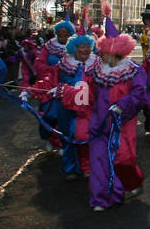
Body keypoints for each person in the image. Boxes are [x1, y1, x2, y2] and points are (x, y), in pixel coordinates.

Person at [63, 32, 150, 210]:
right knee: (99, 162)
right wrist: (63, 92)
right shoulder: (96, 71)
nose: (99, 53)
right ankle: (101, 199)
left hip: (122, 126)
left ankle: (132, 182)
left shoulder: (133, 70)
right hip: (98, 125)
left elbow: (139, 95)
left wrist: (122, 105)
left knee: (123, 160)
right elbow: (85, 94)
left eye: (102, 50)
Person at [23, 32, 96, 180]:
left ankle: (86, 166)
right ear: (74, 48)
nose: (85, 50)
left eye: (88, 47)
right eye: (82, 46)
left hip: (87, 109)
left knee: (84, 137)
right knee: (67, 137)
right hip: (66, 108)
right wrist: (30, 91)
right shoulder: (63, 64)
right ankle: (71, 169)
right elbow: (49, 81)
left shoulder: (97, 65)